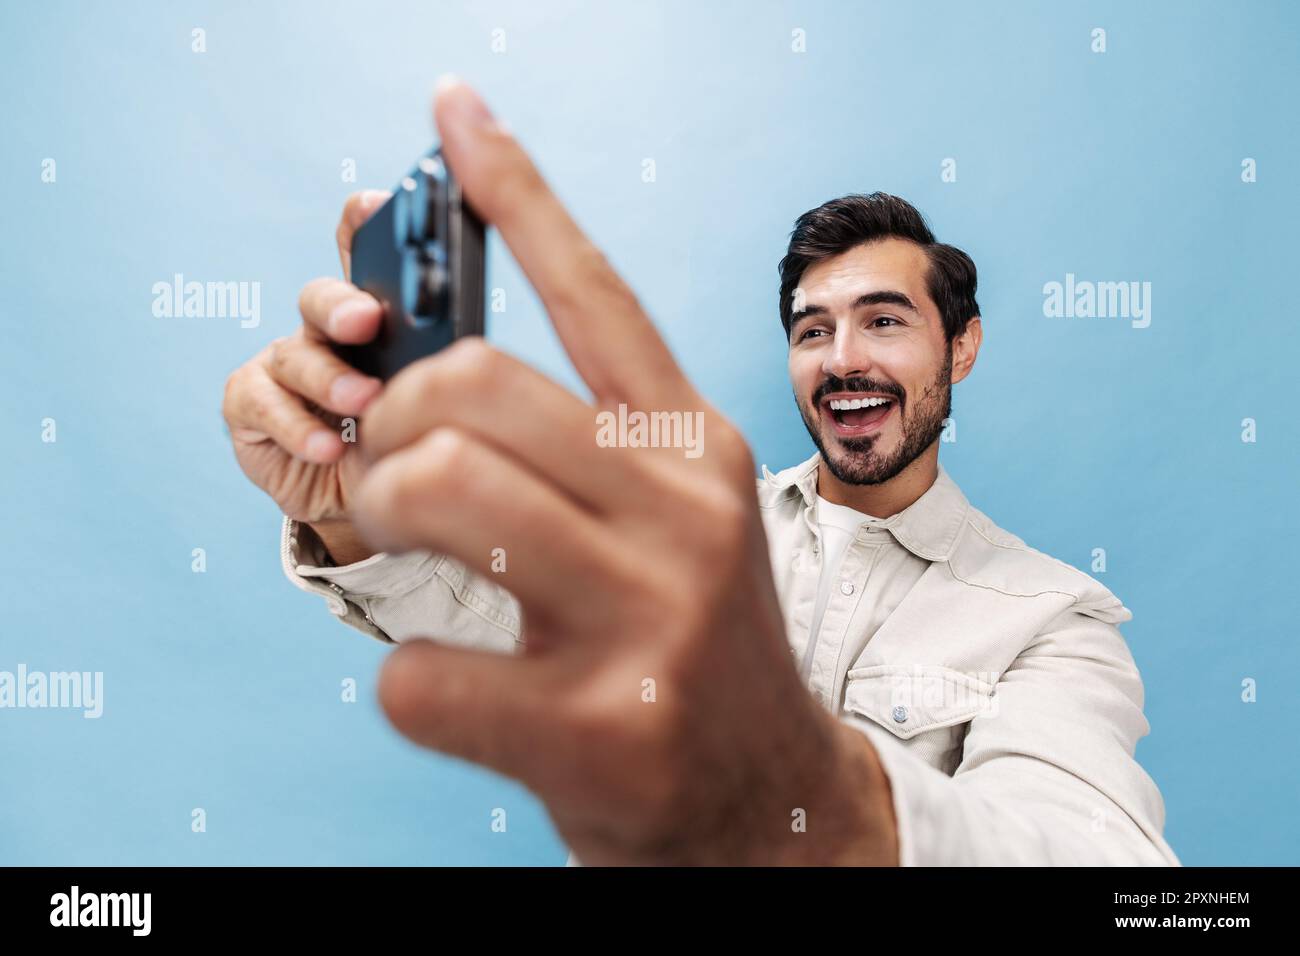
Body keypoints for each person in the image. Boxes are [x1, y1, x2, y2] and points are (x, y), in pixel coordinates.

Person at [222, 76, 1179, 866]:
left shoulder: (1052, 620)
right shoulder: (685, 531)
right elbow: (485, 610)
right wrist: (351, 510)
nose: (843, 357)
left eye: (885, 320)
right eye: (813, 330)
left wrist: (808, 801)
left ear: (961, 348)